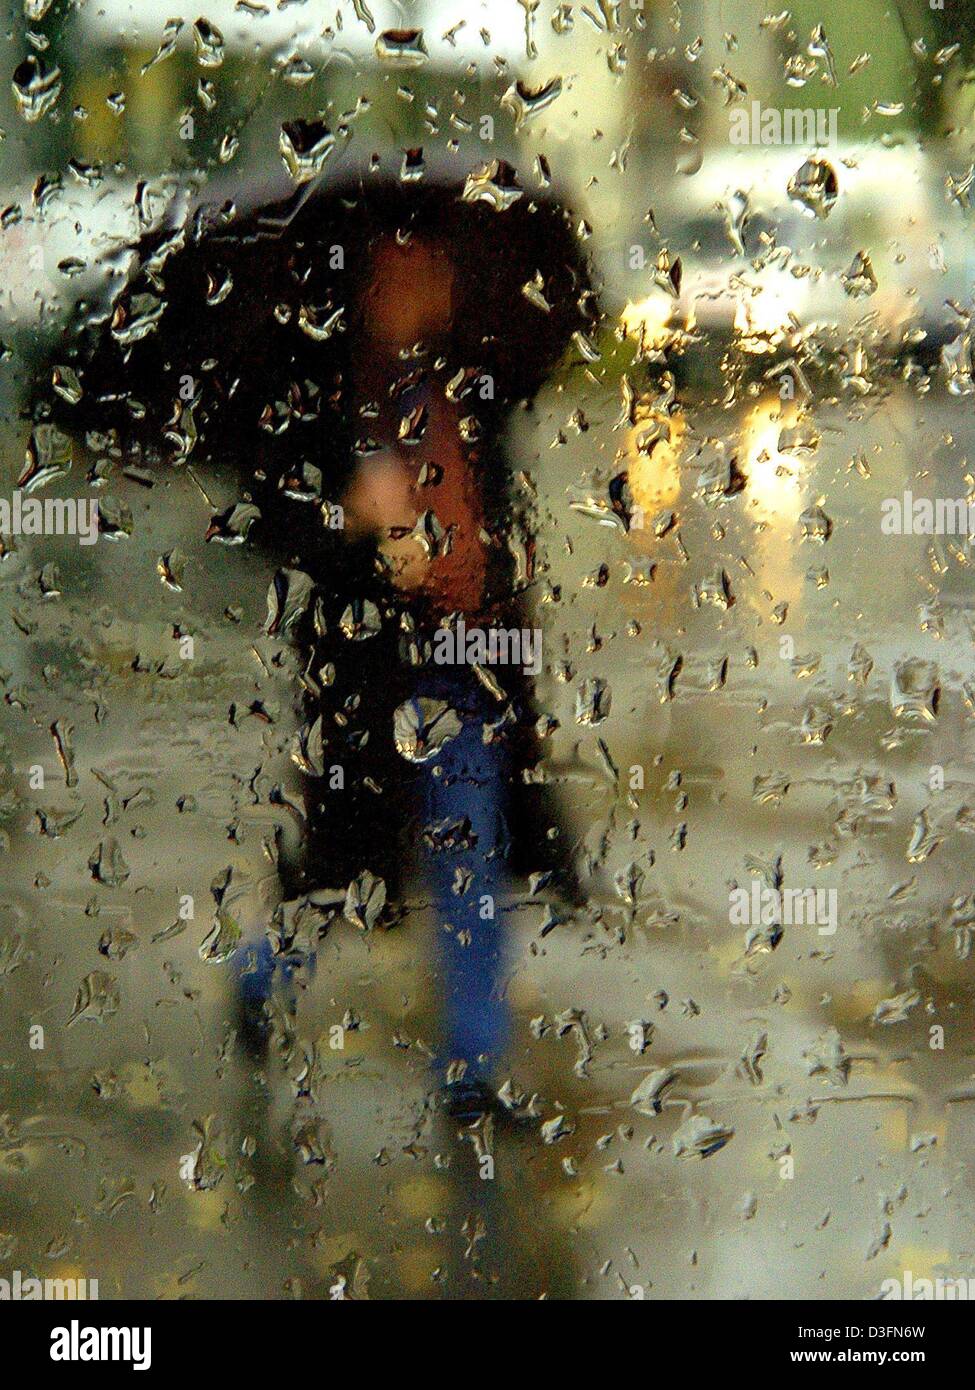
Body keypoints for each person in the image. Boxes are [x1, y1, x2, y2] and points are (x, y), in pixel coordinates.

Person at [42, 177, 593, 1115]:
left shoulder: (472, 387)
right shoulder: (324, 404)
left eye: (435, 274)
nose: (422, 294)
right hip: (374, 680)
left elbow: (499, 495)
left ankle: (470, 1070)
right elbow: (265, 509)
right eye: (399, 277)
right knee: (345, 878)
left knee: (471, 863)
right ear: (365, 290)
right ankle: (262, 974)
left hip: (472, 672)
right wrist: (346, 508)